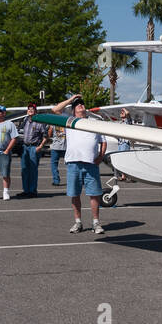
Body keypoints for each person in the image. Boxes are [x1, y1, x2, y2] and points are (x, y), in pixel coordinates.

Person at [50, 95, 104, 234]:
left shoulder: (93, 122)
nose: (81, 105)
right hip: (73, 163)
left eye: (82, 104)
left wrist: (101, 156)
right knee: (74, 195)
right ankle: (78, 222)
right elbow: (55, 110)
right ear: (73, 110)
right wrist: (70, 99)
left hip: (91, 163)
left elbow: (102, 141)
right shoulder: (69, 121)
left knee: (94, 194)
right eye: (77, 104)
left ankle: (96, 223)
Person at [19, 102, 46, 196]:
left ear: (35, 111)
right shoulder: (25, 120)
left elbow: (45, 135)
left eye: (32, 109)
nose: (30, 110)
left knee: (33, 169)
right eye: (29, 109)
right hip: (25, 147)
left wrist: (40, 146)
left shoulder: (39, 122)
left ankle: (32, 190)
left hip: (34, 147)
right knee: (24, 169)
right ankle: (26, 190)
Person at [114, 108, 134, 182]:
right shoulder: (120, 123)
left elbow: (128, 114)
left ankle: (126, 176)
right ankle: (123, 175)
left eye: (123, 112)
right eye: (121, 112)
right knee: (121, 159)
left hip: (125, 143)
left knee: (124, 159)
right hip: (120, 143)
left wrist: (124, 109)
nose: (121, 112)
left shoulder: (128, 122)